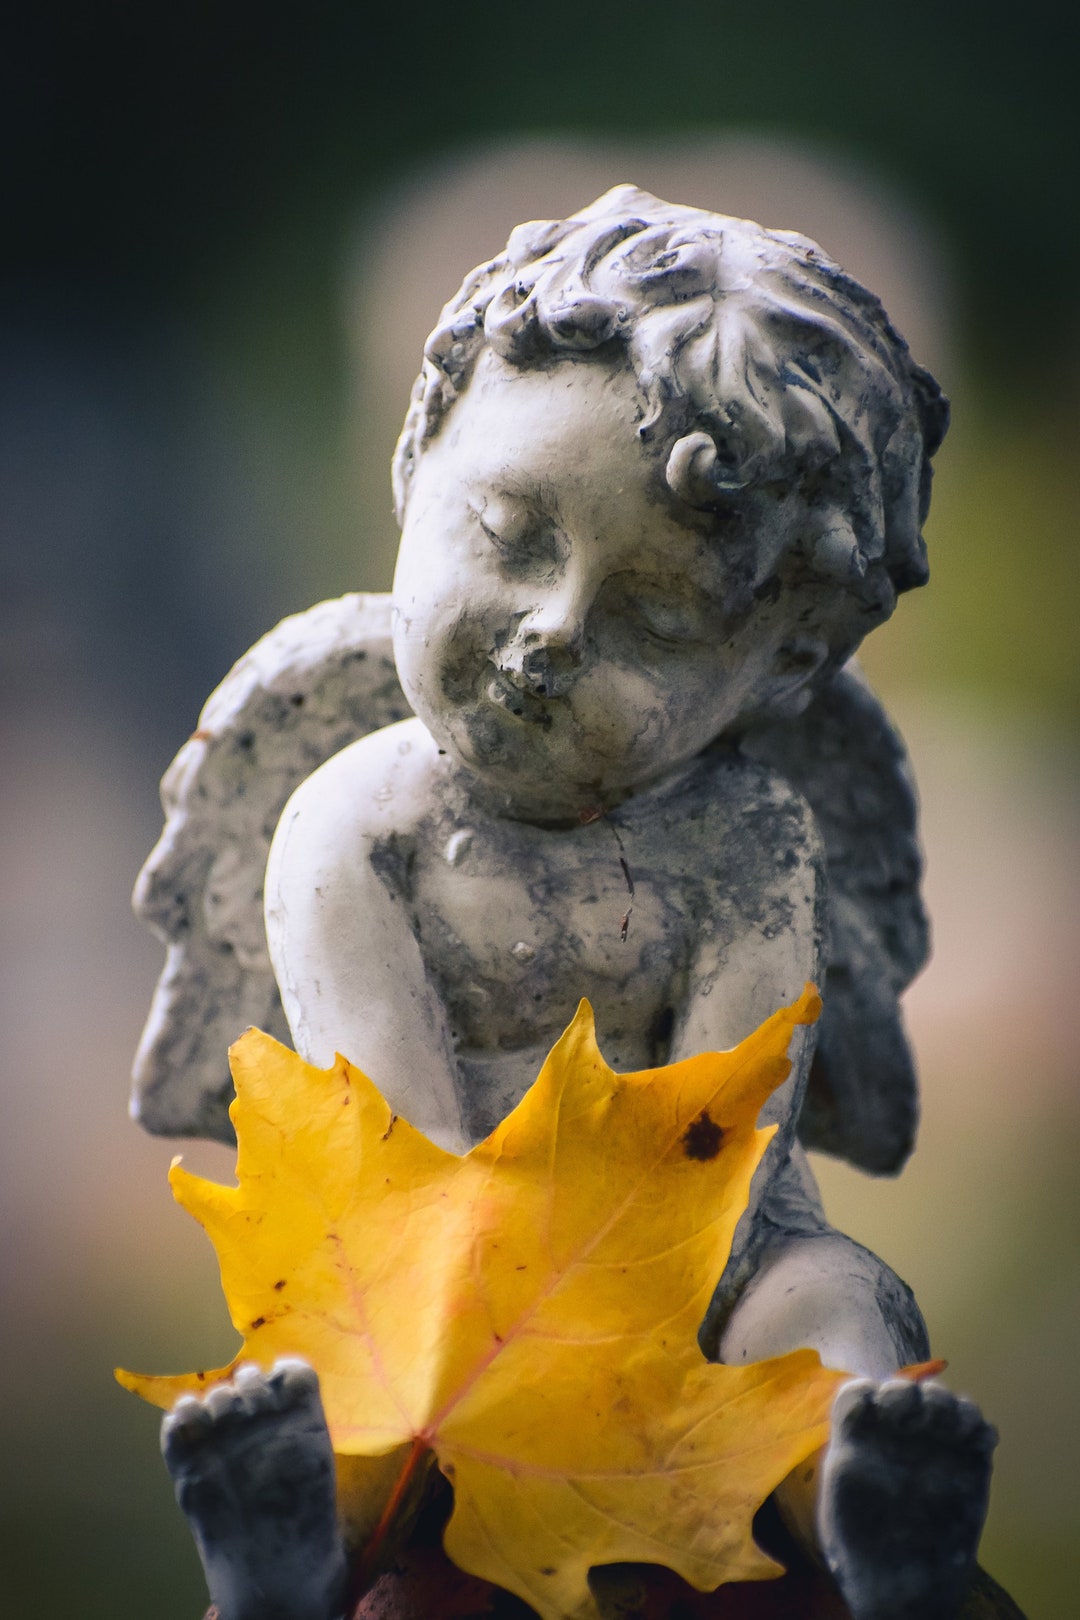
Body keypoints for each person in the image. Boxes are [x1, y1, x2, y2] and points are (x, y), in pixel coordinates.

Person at [160, 188, 996, 1620]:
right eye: (511, 531)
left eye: (658, 621)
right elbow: (395, 1153)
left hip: (703, 1275)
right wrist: (508, 1348)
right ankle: (290, 1562)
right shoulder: (352, 824)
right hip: (425, 1272)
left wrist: (632, 1337)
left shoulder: (752, 843)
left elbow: (716, 1154)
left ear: (781, 674)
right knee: (333, 1381)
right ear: (419, 458)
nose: (552, 637)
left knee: (826, 1308)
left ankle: (854, 1514)